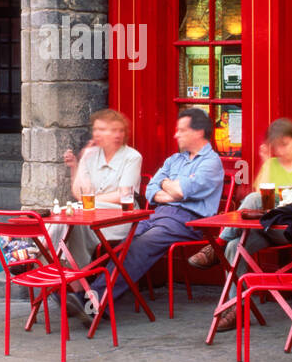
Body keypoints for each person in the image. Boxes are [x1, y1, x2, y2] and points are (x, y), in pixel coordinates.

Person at [65, 108, 224, 322]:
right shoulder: (174, 160)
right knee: (124, 243)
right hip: (157, 215)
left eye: (181, 130)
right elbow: (151, 190)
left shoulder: (211, 163)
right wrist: (171, 191)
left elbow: (181, 191)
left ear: (198, 133)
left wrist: (169, 189)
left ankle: (92, 302)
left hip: (188, 221)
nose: (176, 135)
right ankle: (86, 295)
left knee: (138, 246)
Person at [187, 118, 292, 332]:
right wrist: (266, 162)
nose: (280, 151)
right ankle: (238, 308)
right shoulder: (272, 164)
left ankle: (216, 244)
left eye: (284, 144)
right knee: (234, 246)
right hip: (265, 228)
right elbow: (255, 203)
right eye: (276, 146)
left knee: (255, 200)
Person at [49, 109, 142, 267]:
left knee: (73, 220)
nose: (97, 134)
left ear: (119, 134)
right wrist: (80, 161)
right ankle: (64, 274)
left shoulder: (132, 157)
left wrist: (90, 202)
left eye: (103, 130)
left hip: (119, 219)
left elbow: (123, 196)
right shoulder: (91, 154)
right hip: (90, 215)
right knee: (65, 220)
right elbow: (80, 194)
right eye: (96, 129)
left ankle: (37, 257)